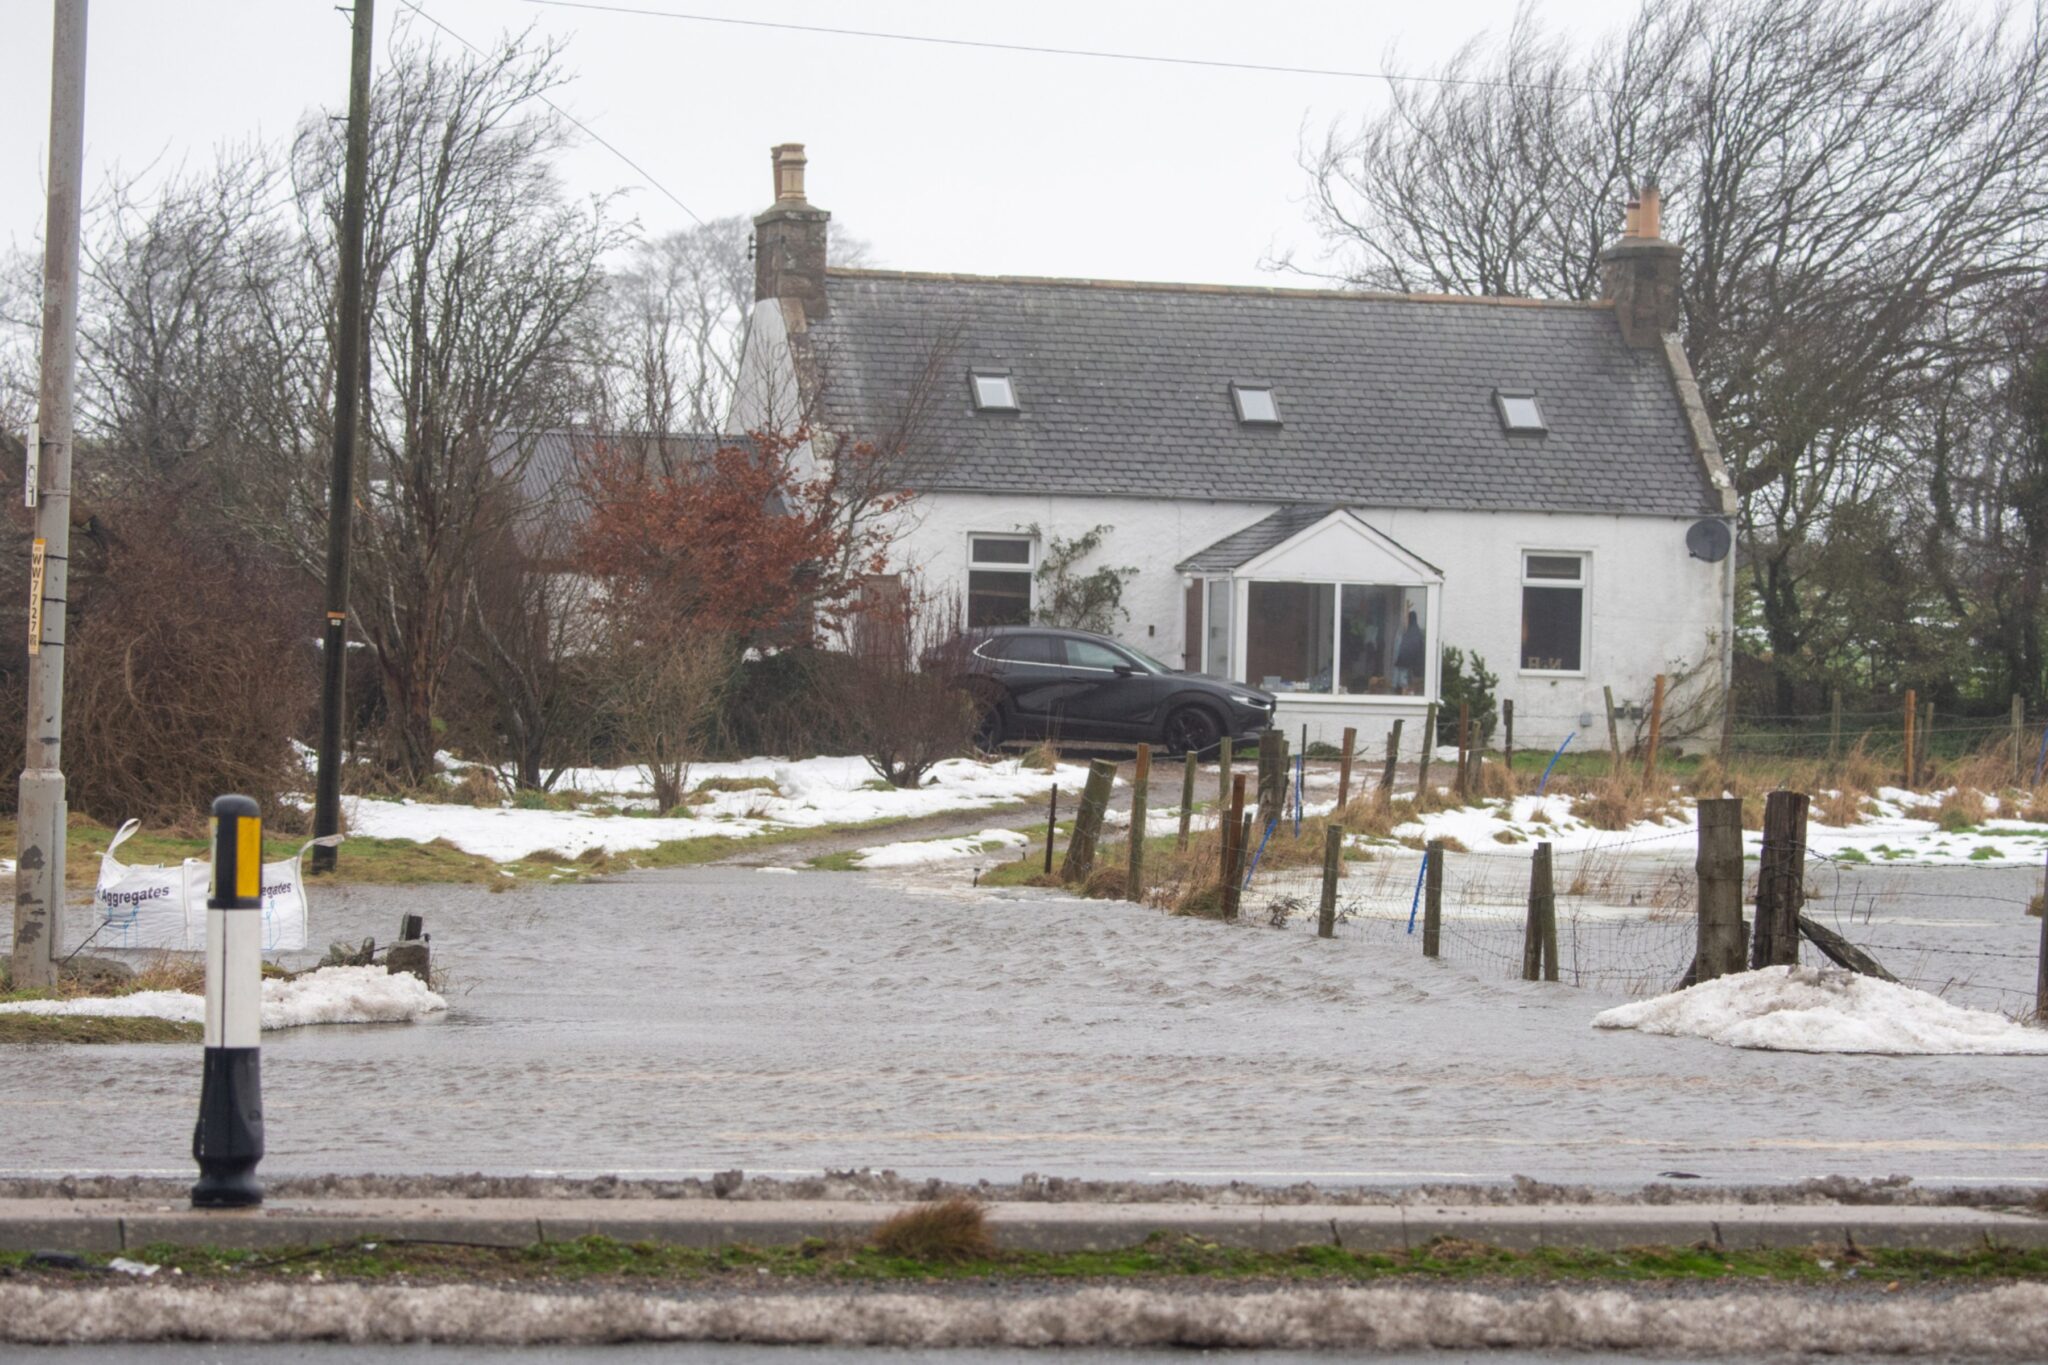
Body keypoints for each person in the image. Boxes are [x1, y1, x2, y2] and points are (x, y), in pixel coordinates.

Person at [1393, 610, 1426, 693]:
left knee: (1404, 678)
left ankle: (1403, 690)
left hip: (1405, 660)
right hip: (1414, 661)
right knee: (1410, 679)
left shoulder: (1408, 632)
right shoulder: (1417, 632)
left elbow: (1405, 648)